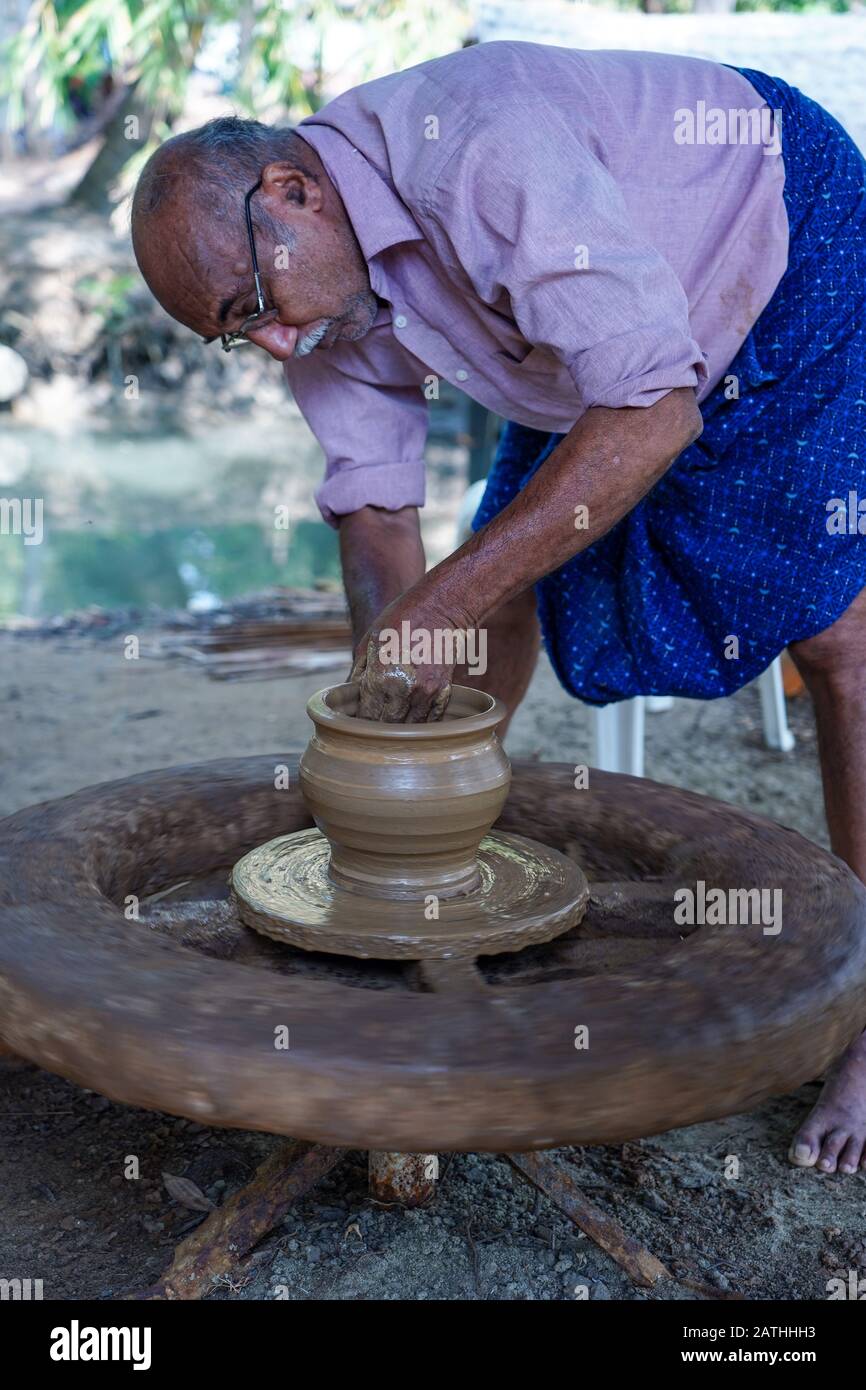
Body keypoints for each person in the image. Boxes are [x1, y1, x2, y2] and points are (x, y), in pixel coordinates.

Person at [131, 42, 866, 1175]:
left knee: (838, 635)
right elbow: (376, 515)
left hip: (772, 234)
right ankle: (424, 861)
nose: (272, 344)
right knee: (482, 598)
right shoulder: (314, 291)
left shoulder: (477, 152)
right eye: (239, 337)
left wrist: (445, 603)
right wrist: (386, 701)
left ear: (293, 192)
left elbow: (651, 414)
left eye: (257, 306)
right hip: (585, 336)